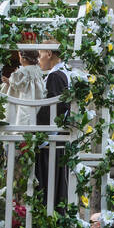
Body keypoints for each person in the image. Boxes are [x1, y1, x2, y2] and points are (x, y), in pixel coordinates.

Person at [34, 49, 70, 205]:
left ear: (49, 53)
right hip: (57, 142)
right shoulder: (63, 73)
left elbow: (53, 109)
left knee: (47, 189)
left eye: (39, 55)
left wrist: (36, 132)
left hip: (50, 143)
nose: (38, 60)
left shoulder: (55, 76)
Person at [6, 49, 46, 127]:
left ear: (24, 58)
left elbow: (17, 84)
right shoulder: (37, 69)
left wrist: (9, 80)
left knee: (23, 114)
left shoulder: (23, 71)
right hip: (36, 97)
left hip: (25, 97)